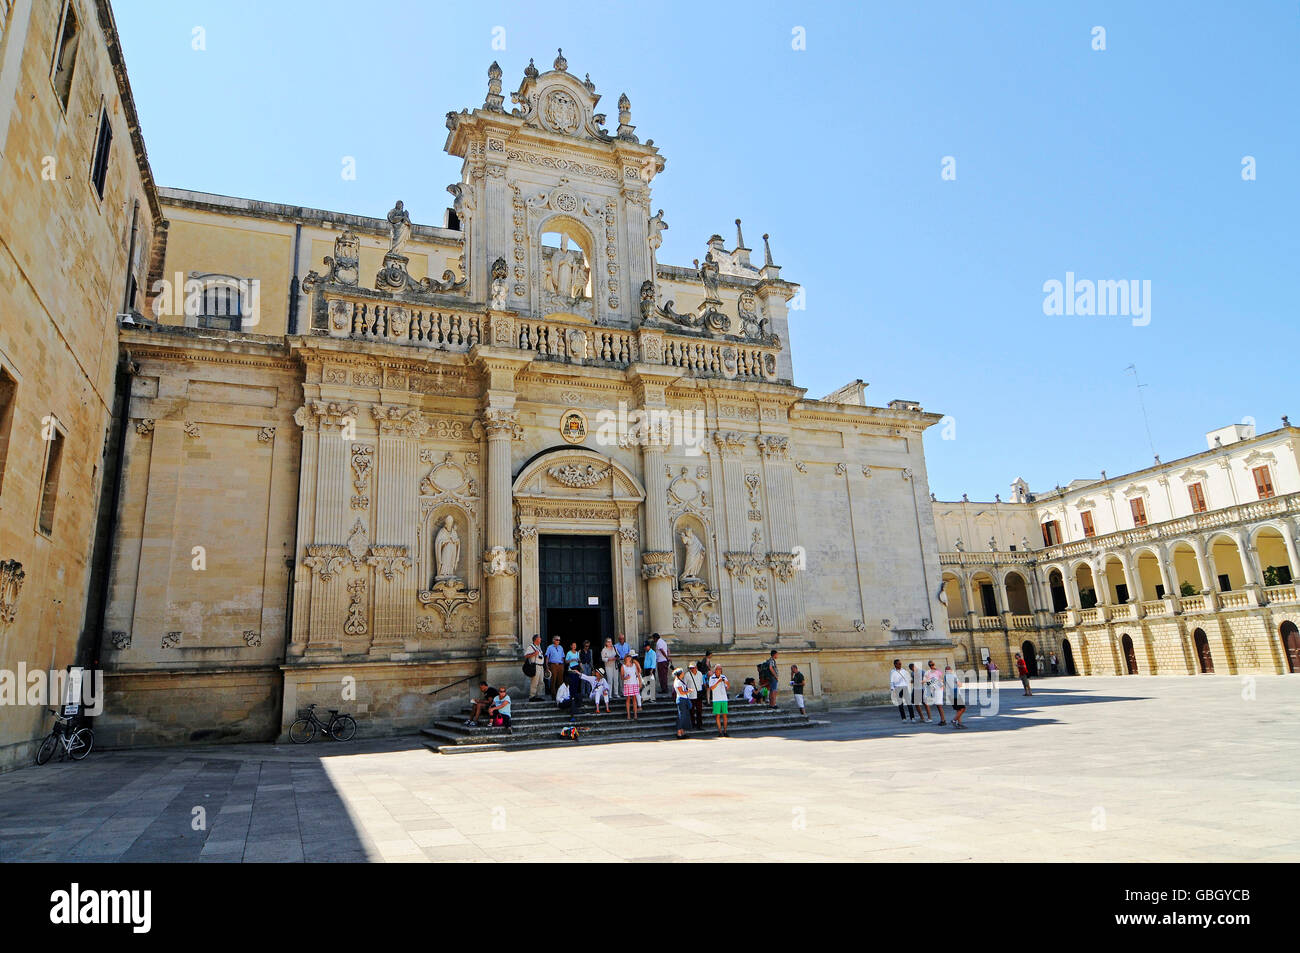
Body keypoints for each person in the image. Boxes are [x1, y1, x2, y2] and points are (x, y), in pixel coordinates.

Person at [709, 665, 730, 737]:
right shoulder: (712, 678)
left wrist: (725, 682)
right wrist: (718, 681)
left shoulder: (723, 676)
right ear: (715, 670)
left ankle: (725, 731)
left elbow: (728, 687)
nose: (719, 670)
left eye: (720, 669)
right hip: (716, 699)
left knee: (725, 715)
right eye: (718, 669)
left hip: (724, 698)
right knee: (717, 715)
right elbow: (711, 688)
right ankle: (720, 731)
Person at [923, 660, 946, 725]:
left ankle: (943, 720)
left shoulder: (938, 671)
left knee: (939, 705)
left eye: (932, 664)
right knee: (938, 705)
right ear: (929, 666)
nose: (932, 666)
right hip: (933, 690)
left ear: (934, 664)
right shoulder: (928, 672)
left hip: (938, 690)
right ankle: (942, 720)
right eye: (930, 665)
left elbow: (941, 680)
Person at [524, 634, 545, 701]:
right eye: (539, 638)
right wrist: (534, 654)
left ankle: (538, 695)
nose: (541, 639)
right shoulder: (531, 647)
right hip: (535, 666)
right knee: (534, 682)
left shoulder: (539, 647)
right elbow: (526, 656)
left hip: (541, 666)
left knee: (541, 682)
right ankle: (532, 696)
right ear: (536, 639)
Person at [672, 668, 692, 738]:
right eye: (682, 672)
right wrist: (688, 691)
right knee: (681, 716)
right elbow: (681, 692)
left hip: (684, 699)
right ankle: (679, 733)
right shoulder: (677, 682)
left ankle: (682, 732)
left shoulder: (680, 681)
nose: (683, 673)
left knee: (684, 716)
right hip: (681, 699)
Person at [622, 652, 642, 720]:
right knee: (628, 699)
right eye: (627, 657)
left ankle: (635, 714)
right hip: (627, 684)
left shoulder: (634, 665)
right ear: (625, 659)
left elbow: (638, 674)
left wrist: (640, 682)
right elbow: (621, 677)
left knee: (634, 699)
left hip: (634, 683)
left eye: (629, 657)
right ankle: (628, 715)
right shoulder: (623, 666)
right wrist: (625, 678)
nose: (628, 659)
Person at [685, 661, 704, 729]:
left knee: (699, 711)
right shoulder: (687, 675)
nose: (692, 669)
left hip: (698, 695)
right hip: (691, 696)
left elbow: (701, 683)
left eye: (693, 668)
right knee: (691, 711)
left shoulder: (700, 674)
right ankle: (692, 724)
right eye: (690, 668)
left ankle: (699, 725)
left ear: (696, 667)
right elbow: (685, 685)